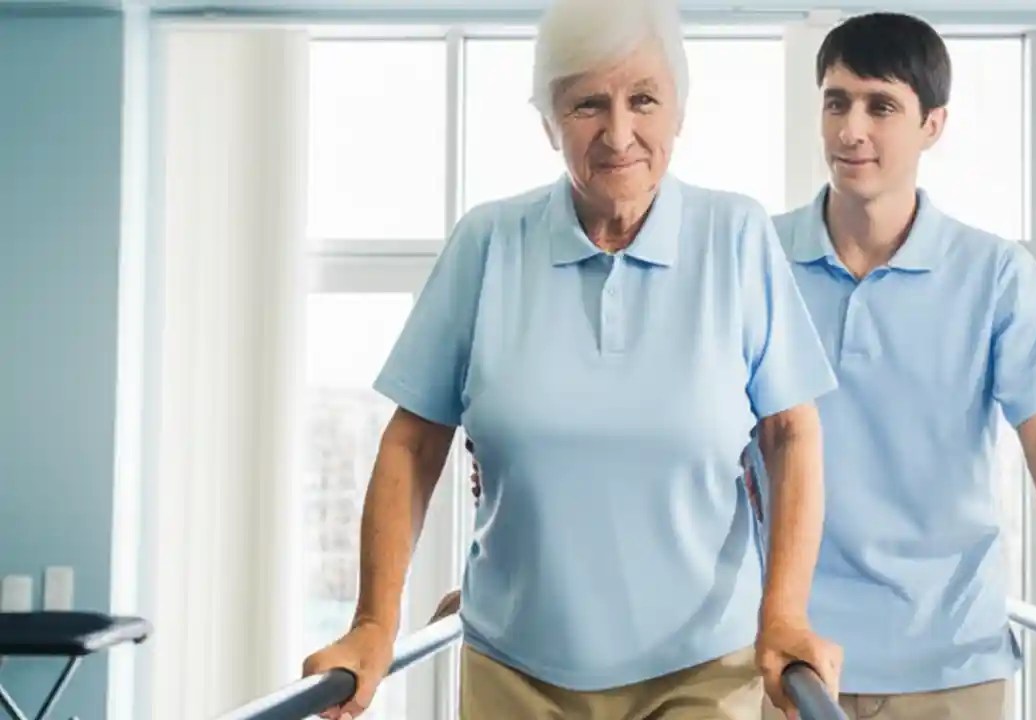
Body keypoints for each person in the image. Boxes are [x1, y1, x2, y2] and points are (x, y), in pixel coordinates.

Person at [300, 0, 845, 717]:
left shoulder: (734, 236)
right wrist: (374, 623)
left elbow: (790, 432)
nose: (619, 133)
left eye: (643, 99)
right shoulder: (490, 242)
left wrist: (784, 613)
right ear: (549, 120)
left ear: (678, 109)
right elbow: (413, 441)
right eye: (588, 103)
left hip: (701, 668)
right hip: (517, 668)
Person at [750, 12, 1036, 719]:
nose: (852, 129)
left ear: (933, 126)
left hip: (948, 658)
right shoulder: (756, 257)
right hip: (788, 654)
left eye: (881, 105)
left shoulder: (995, 274)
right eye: (836, 101)